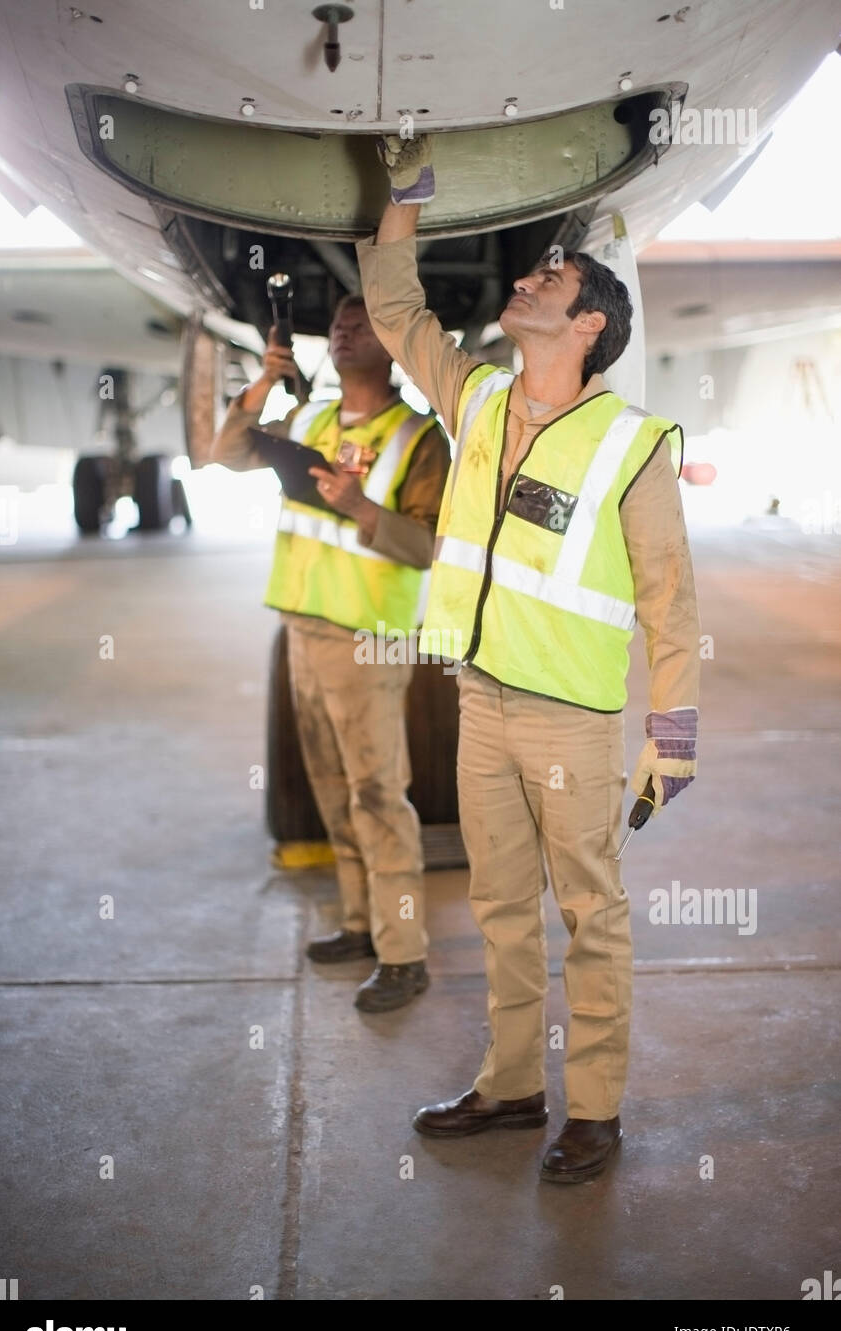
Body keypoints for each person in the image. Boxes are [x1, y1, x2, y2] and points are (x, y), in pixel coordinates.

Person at [356, 136, 701, 1179]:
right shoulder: (478, 401)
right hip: (481, 702)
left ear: (588, 321)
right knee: (501, 908)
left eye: (547, 277)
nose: (523, 279)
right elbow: (393, 312)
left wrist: (670, 742)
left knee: (589, 917)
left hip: (571, 722)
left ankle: (591, 1108)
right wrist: (405, 196)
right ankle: (511, 1085)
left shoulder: (629, 445)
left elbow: (671, 610)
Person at [210, 295, 452, 1013]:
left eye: (363, 322)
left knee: (379, 794)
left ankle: (404, 954)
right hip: (302, 627)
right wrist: (262, 383)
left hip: (366, 639)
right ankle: (358, 923)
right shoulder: (310, 418)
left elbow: (435, 546)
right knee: (330, 787)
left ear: (396, 345)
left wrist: (361, 510)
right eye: (340, 323)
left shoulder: (418, 438)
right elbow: (226, 453)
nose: (344, 329)